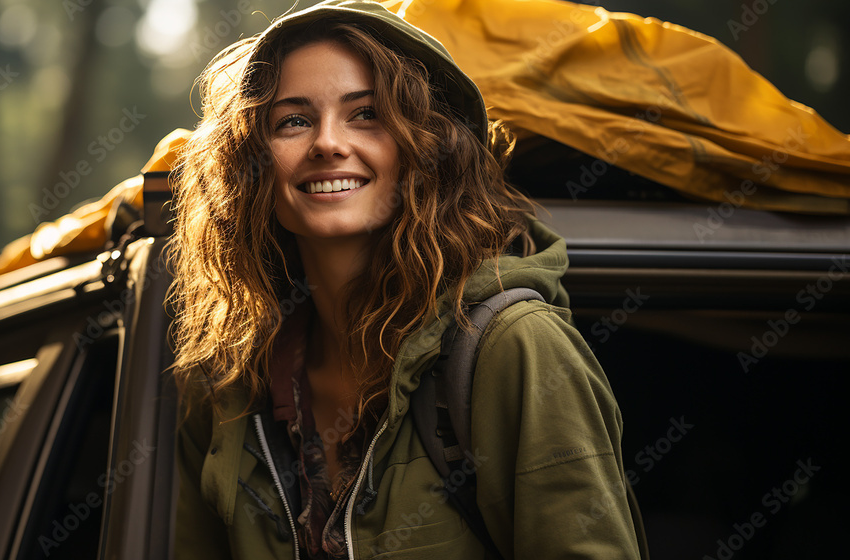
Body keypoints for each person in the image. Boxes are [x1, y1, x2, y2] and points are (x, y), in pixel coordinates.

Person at [167, 1, 641, 558]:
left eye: (365, 114)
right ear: (250, 167)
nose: (327, 143)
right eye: (293, 120)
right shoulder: (225, 383)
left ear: (426, 149)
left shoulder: (513, 348)